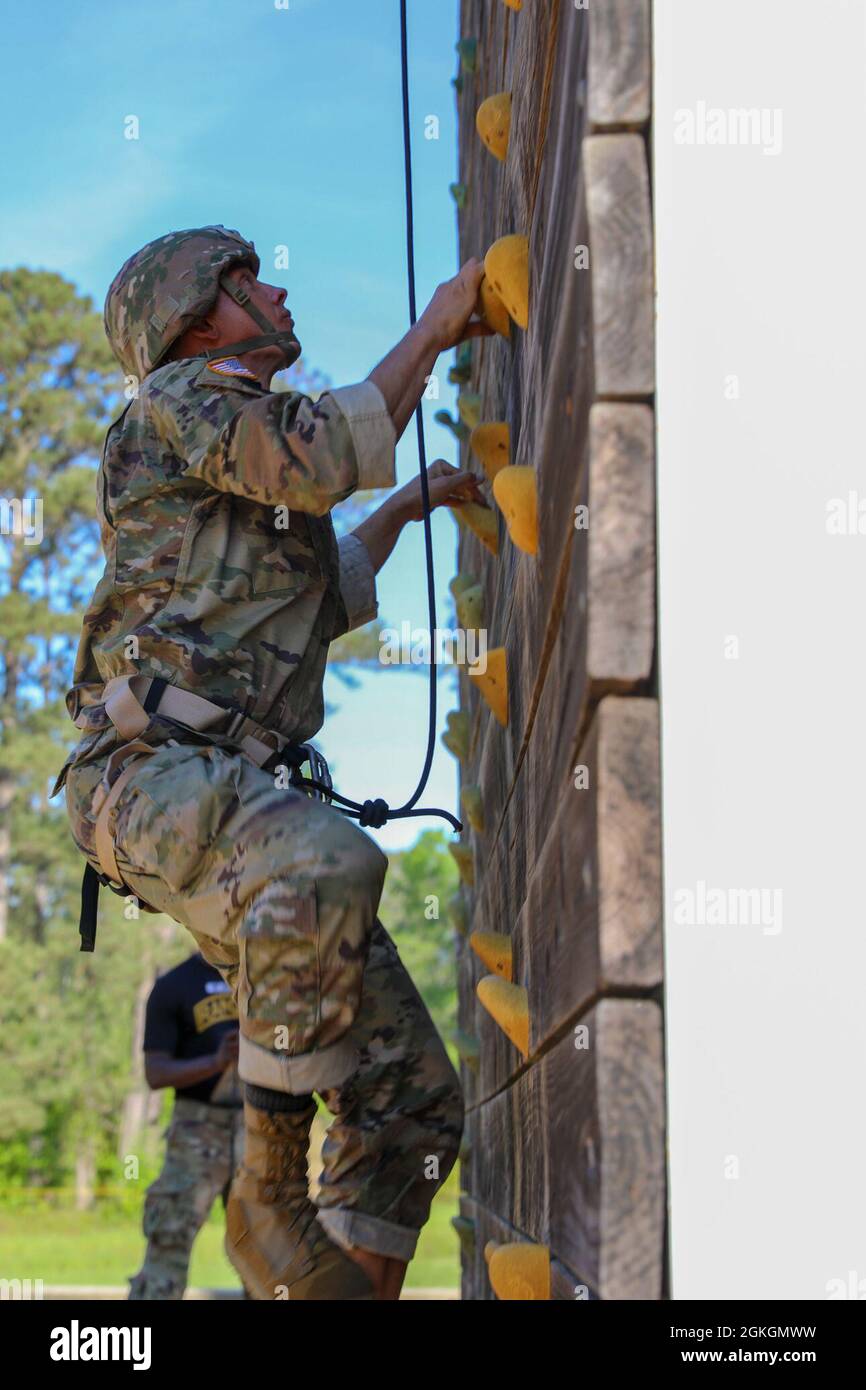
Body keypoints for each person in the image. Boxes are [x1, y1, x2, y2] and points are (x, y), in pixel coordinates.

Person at [54, 225, 490, 1300]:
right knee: (321, 862)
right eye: (250, 283)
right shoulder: (182, 399)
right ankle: (262, 1198)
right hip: (142, 776)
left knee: (408, 1104)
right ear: (200, 320)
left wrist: (400, 506)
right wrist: (437, 325)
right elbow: (314, 450)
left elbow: (319, 583)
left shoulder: (236, 476)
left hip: (216, 786)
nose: (279, 289)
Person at [129, 952, 244, 1300]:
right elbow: (156, 1073)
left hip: (263, 1122)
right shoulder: (174, 985)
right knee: (171, 1234)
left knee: (270, 1242)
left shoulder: (265, 975)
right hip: (198, 1124)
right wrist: (216, 1062)